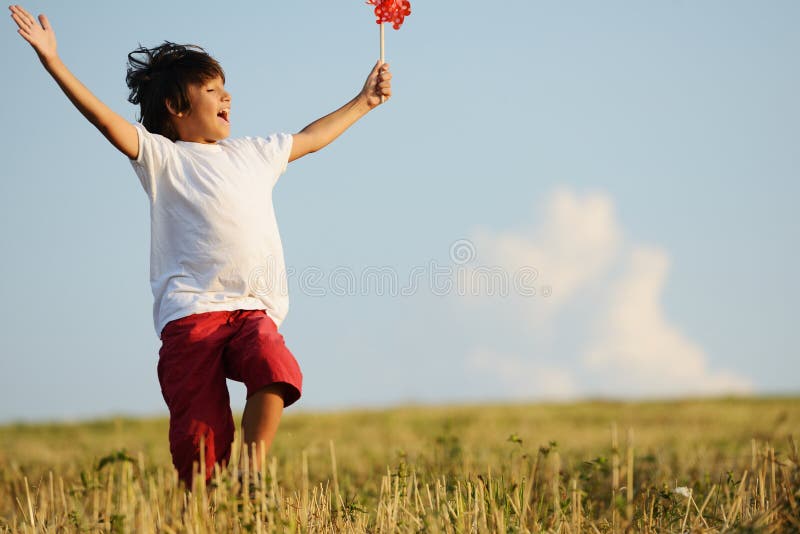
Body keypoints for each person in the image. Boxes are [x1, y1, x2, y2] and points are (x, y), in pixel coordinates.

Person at [9, 4, 392, 489]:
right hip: (191, 317)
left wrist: (365, 101)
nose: (226, 95)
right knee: (199, 445)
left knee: (274, 366)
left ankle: (251, 472)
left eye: (223, 87)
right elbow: (107, 123)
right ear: (176, 107)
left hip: (251, 308)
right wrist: (53, 62)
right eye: (211, 90)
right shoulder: (163, 158)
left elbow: (312, 138)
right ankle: (206, 507)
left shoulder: (253, 153)